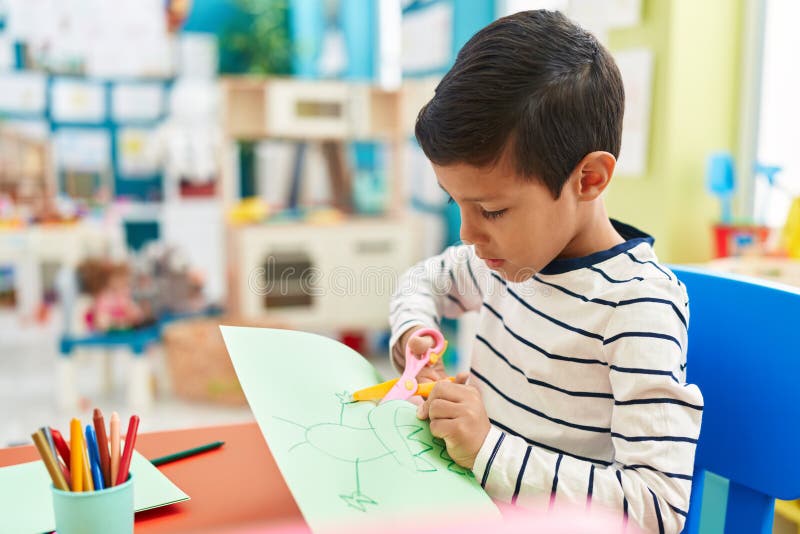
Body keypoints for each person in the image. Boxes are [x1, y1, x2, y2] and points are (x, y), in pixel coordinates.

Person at [389, 10, 703, 534]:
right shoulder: (503, 259)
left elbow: (656, 508)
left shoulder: (637, 306)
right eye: (457, 204)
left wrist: (488, 449)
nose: (468, 234)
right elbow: (423, 281)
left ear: (589, 178)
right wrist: (416, 332)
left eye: (491, 211)